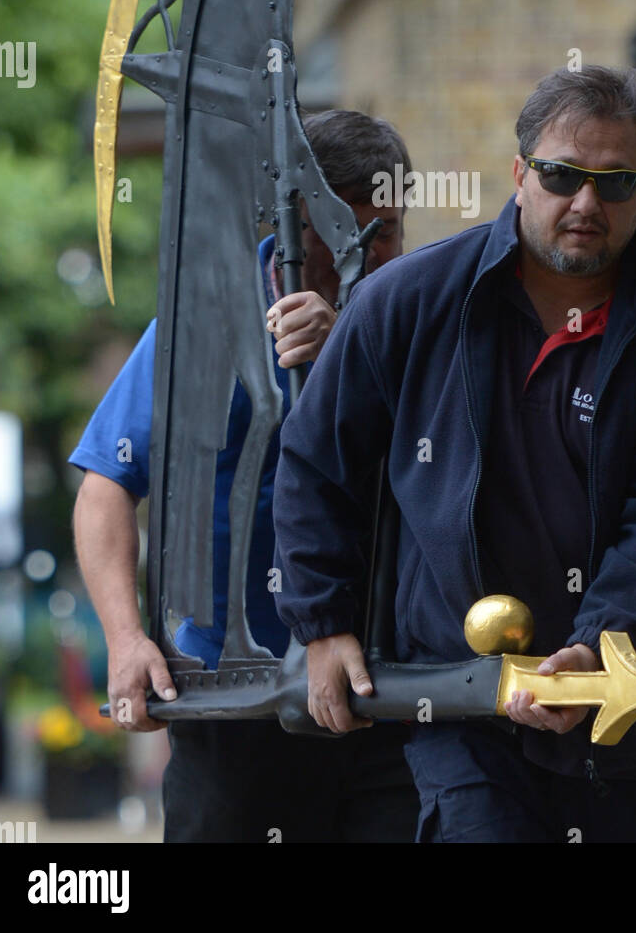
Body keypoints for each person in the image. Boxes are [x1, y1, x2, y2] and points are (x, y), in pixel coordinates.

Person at [272, 65, 636, 844]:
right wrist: (323, 624)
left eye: (615, 182)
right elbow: (316, 465)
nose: (586, 203)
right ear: (520, 172)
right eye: (562, 175)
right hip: (456, 708)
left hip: (622, 717)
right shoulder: (406, 302)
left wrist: (594, 647)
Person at [71, 109, 421, 843]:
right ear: (294, 214)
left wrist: (346, 357)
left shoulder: (415, 323)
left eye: (384, 230)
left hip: (393, 692)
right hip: (235, 698)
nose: (368, 252)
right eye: (343, 228)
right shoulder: (198, 327)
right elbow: (106, 486)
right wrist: (126, 638)